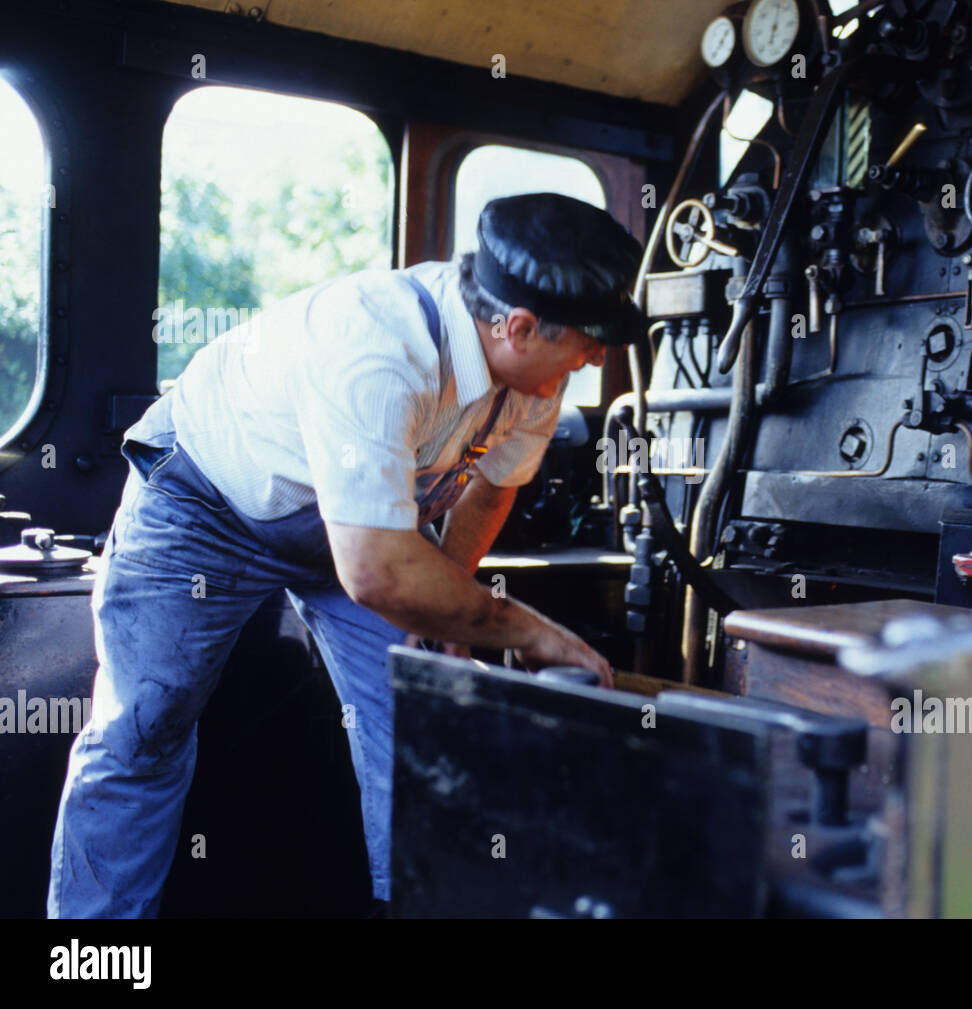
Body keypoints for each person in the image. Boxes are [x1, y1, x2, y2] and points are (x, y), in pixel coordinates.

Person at [47, 192, 644, 917]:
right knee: (141, 729)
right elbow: (377, 571)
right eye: (589, 340)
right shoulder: (376, 345)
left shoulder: (532, 377)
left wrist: (446, 613)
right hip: (207, 501)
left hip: (369, 527)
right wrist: (532, 629)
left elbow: (489, 489)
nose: (597, 357)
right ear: (517, 326)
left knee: (420, 728)